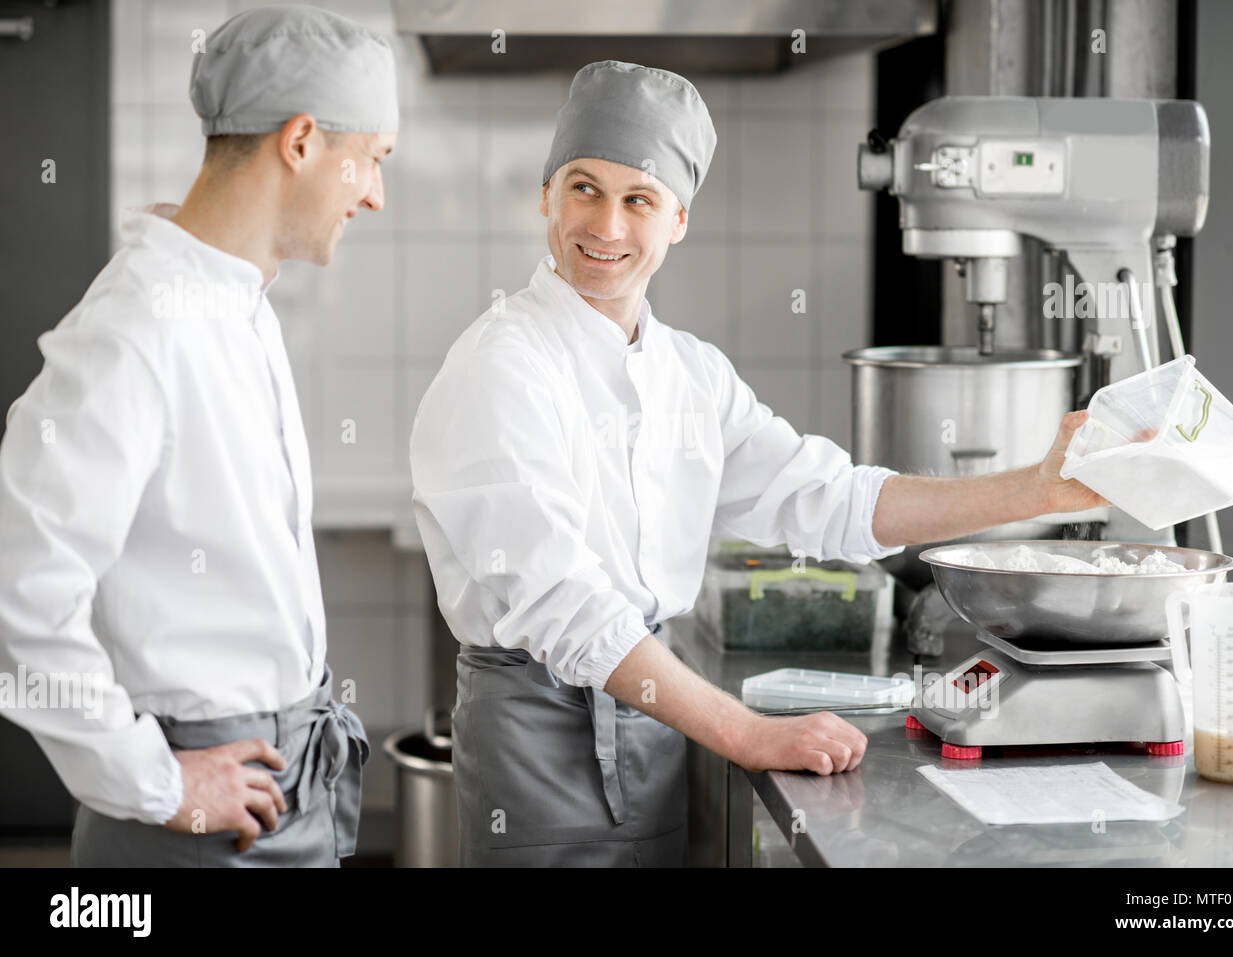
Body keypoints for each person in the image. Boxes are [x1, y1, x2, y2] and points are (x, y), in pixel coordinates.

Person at [409, 60, 1105, 867]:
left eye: (639, 199)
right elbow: (565, 607)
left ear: (677, 220)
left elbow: (835, 503)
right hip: (539, 734)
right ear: (545, 196)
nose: (605, 224)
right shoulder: (503, 365)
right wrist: (745, 732)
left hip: (653, 729)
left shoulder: (690, 375)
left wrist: (1035, 487)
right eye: (583, 188)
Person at [0, 4, 398, 867]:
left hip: (275, 784)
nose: (375, 192)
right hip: (200, 813)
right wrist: (157, 783)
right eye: (369, 159)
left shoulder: (235, 301)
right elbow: (18, 590)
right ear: (300, 143)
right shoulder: (138, 326)